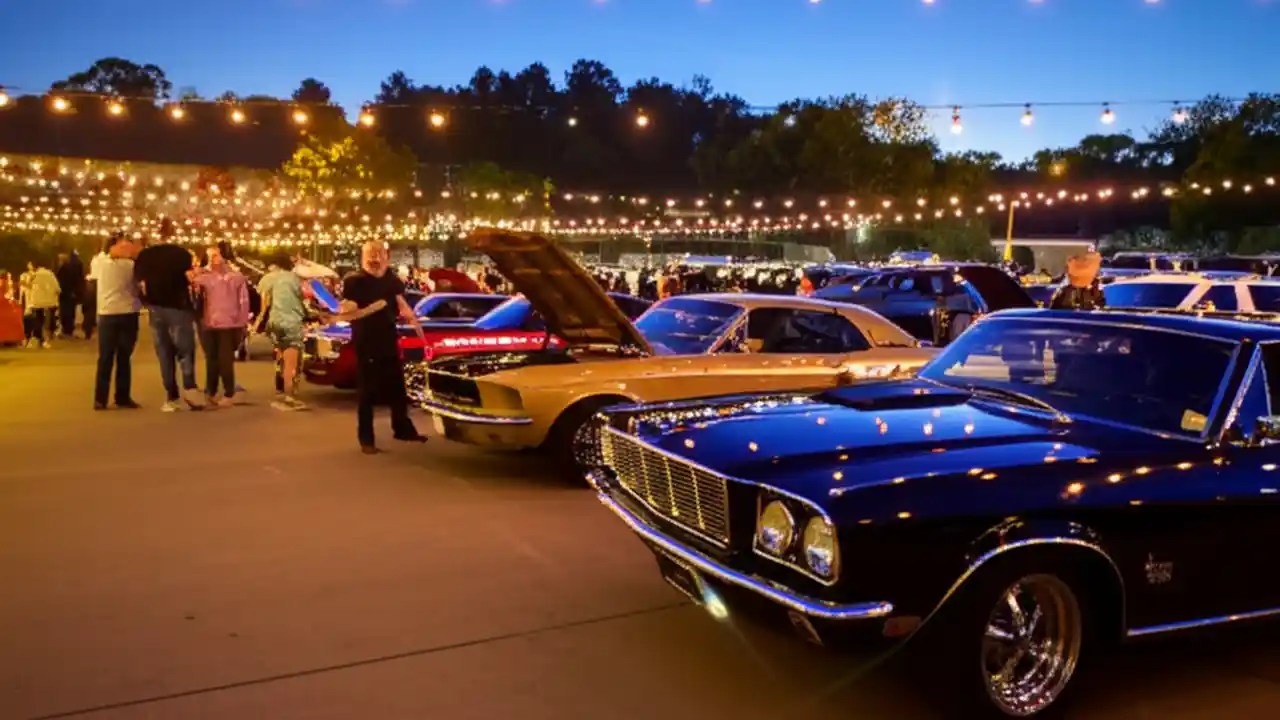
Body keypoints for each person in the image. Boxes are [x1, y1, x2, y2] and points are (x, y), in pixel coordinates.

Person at [341, 241, 428, 453]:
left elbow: (401, 304)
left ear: (386, 257)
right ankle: (367, 440)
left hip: (389, 340)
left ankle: (403, 429)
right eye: (369, 254)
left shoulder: (392, 280)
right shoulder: (355, 281)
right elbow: (348, 306)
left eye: (378, 254)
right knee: (367, 393)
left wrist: (415, 324)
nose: (374, 258)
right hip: (366, 342)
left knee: (398, 389)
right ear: (362, 257)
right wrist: (344, 310)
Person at [134, 236, 205, 411]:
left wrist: (146, 301)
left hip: (156, 308)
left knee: (164, 352)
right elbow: (188, 278)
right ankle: (190, 388)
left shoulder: (145, 255)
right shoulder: (182, 254)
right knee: (185, 350)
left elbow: (140, 284)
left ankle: (171, 396)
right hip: (179, 307)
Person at [192, 244, 250, 408]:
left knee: (225, 358)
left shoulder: (235, 277)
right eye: (211, 256)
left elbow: (244, 301)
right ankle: (210, 391)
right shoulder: (203, 277)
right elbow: (193, 293)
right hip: (208, 323)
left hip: (228, 323)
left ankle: (229, 392)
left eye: (217, 255)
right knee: (211, 358)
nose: (214, 260)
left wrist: (241, 321)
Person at [93, 233, 142, 410]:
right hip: (109, 313)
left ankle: (121, 396)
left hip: (127, 312)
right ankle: (101, 398)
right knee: (106, 356)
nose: (126, 250)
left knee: (124, 356)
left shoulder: (130, 265)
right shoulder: (102, 263)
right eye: (122, 246)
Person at [254, 253, 309, 411]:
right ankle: (289, 396)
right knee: (292, 363)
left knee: (281, 358)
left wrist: (258, 322)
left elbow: (264, 305)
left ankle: (281, 391)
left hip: (275, 322)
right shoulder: (294, 278)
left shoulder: (267, 279)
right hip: (291, 322)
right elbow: (302, 300)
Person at [21, 260, 60, 349]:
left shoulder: (34, 275)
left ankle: (39, 338)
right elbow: (57, 288)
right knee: (46, 321)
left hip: (37, 302)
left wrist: (24, 284)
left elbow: (29, 285)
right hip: (49, 302)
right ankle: (45, 338)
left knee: (37, 320)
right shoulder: (50, 274)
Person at [55, 251, 84, 338]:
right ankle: (68, 329)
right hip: (70, 294)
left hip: (65, 294)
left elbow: (61, 282)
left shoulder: (63, 269)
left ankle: (66, 330)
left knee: (65, 312)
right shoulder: (71, 268)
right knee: (70, 312)